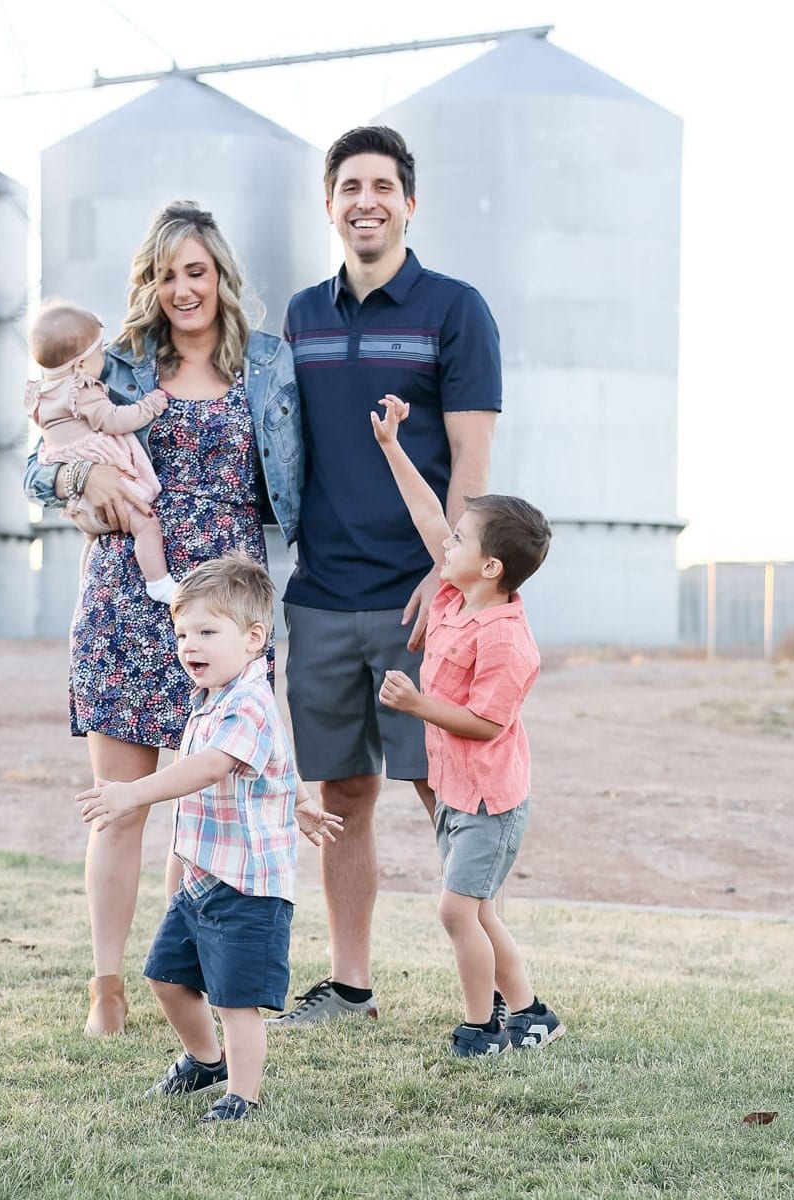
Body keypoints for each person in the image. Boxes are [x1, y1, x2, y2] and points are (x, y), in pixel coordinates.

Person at [22, 202, 303, 1036]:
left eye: (197, 271)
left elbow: (298, 473)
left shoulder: (268, 363)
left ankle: (197, 976)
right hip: (128, 596)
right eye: (167, 273)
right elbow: (39, 464)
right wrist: (79, 487)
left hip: (227, 602)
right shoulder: (119, 364)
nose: (184, 289)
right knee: (124, 801)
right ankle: (107, 984)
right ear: (149, 282)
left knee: (210, 805)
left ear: (220, 276)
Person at [271, 126, 501, 1026]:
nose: (365, 200)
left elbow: (473, 461)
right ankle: (351, 986)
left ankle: (504, 994)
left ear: (410, 202)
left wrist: (450, 577)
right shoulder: (299, 316)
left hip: (419, 596)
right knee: (344, 794)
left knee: (445, 789)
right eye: (348, 187)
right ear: (328, 205)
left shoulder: (454, 308)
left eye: (382, 185)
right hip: (321, 594)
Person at [77, 554, 341, 1120]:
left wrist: (131, 792)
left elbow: (211, 767)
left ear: (253, 639)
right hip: (203, 877)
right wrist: (299, 801)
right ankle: (205, 1059)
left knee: (235, 1001)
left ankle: (241, 1095)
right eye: (181, 633)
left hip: (248, 888)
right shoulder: (214, 697)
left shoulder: (248, 700)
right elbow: (277, 760)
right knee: (166, 977)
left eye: (206, 632)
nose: (189, 645)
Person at [371, 394, 563, 1055]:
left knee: (457, 910)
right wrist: (392, 445)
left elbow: (485, 723)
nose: (444, 544)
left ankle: (481, 1027)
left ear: (491, 567)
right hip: (459, 792)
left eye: (459, 541)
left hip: (489, 800)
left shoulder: (508, 639)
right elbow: (429, 514)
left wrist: (417, 705)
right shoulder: (457, 591)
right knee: (477, 910)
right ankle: (531, 1011)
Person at [25, 298, 174, 600]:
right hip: (102, 482)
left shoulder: (42, 395)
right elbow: (115, 420)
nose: (104, 357)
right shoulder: (82, 391)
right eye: (99, 350)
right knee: (146, 525)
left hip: (81, 504)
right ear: (80, 364)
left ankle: (86, 592)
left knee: (93, 543)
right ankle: (159, 583)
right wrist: (148, 406)